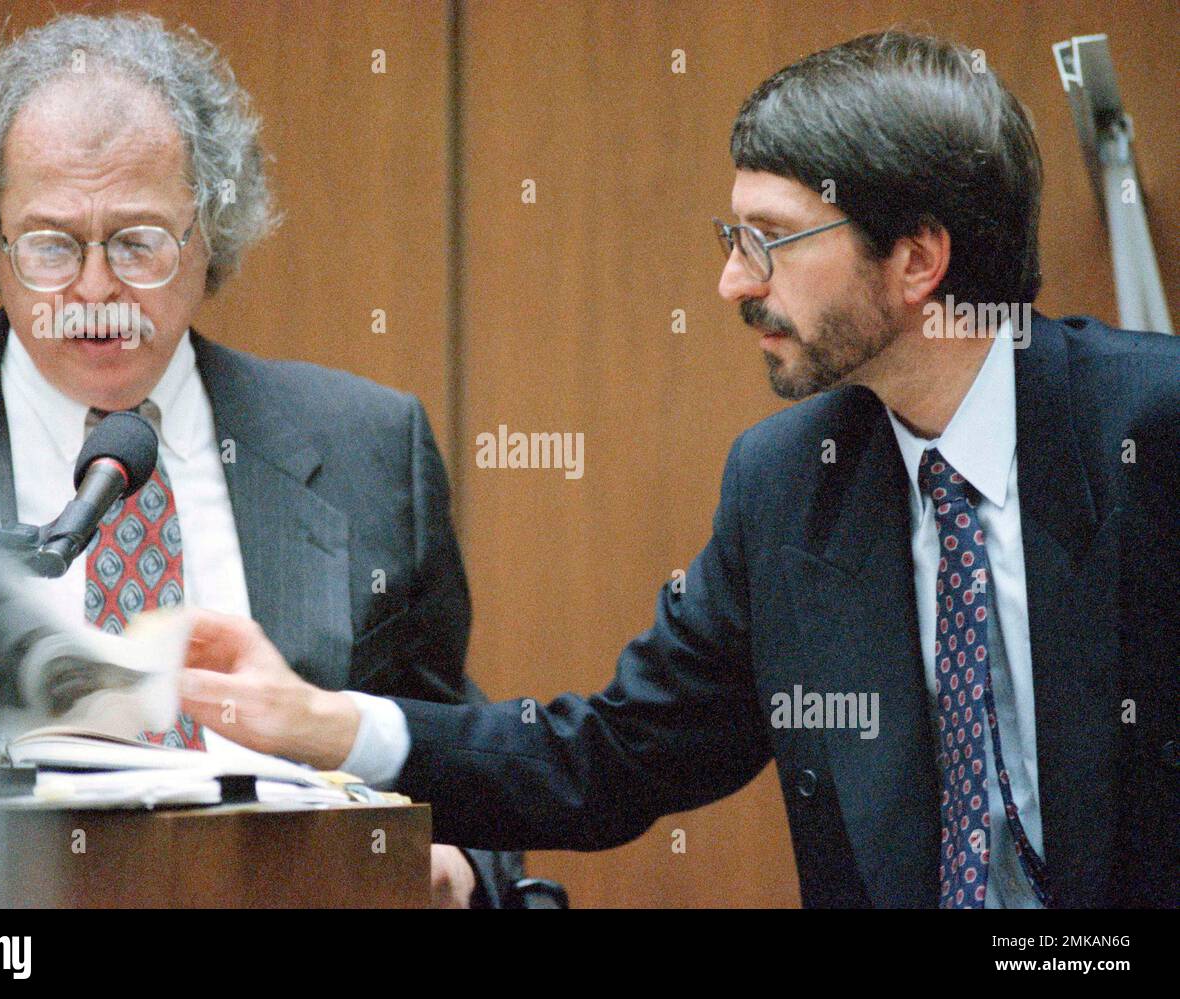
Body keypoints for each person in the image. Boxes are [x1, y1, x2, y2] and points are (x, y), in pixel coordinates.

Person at [173, 30, 1178, 908]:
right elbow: (609, 760)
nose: (732, 280)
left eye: (772, 241)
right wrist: (323, 722)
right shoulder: (790, 486)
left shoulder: (1152, 435)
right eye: (733, 238)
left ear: (917, 262)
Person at [0, 12, 522, 909]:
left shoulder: (368, 444)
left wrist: (457, 865)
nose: (95, 290)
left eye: (138, 241)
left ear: (210, 234)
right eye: (53, 244)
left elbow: (448, 751)